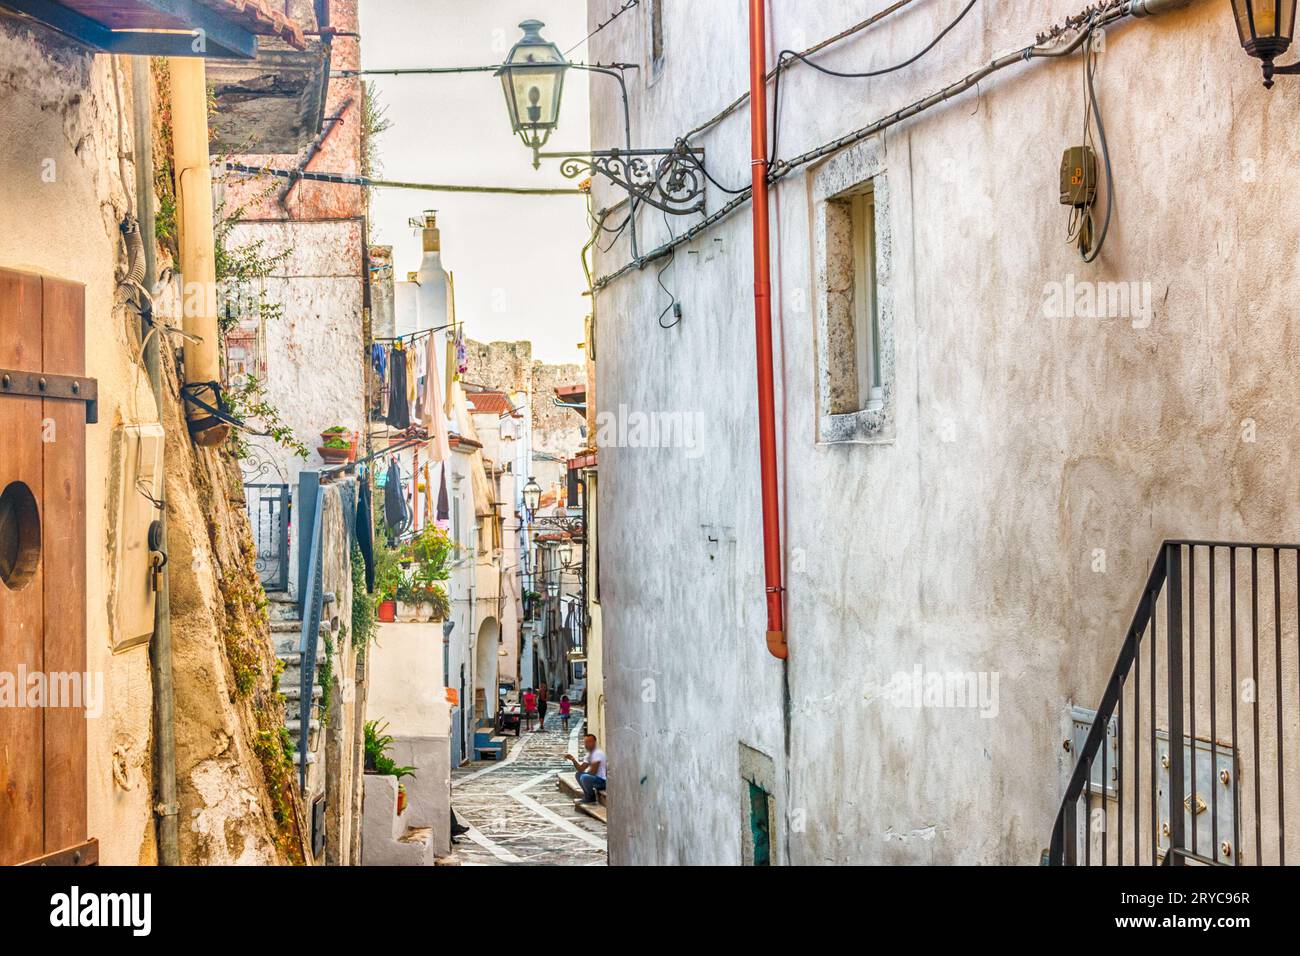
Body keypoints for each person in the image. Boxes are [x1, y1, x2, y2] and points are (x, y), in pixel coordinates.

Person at [563, 734, 607, 805]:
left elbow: (593, 771)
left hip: (603, 782)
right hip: (596, 779)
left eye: (589, 742)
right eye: (585, 742)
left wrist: (586, 775)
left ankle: (590, 797)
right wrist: (573, 759)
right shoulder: (589, 755)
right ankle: (589, 796)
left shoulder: (598, 753)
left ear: (594, 742)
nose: (587, 744)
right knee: (578, 774)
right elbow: (581, 769)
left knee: (584, 777)